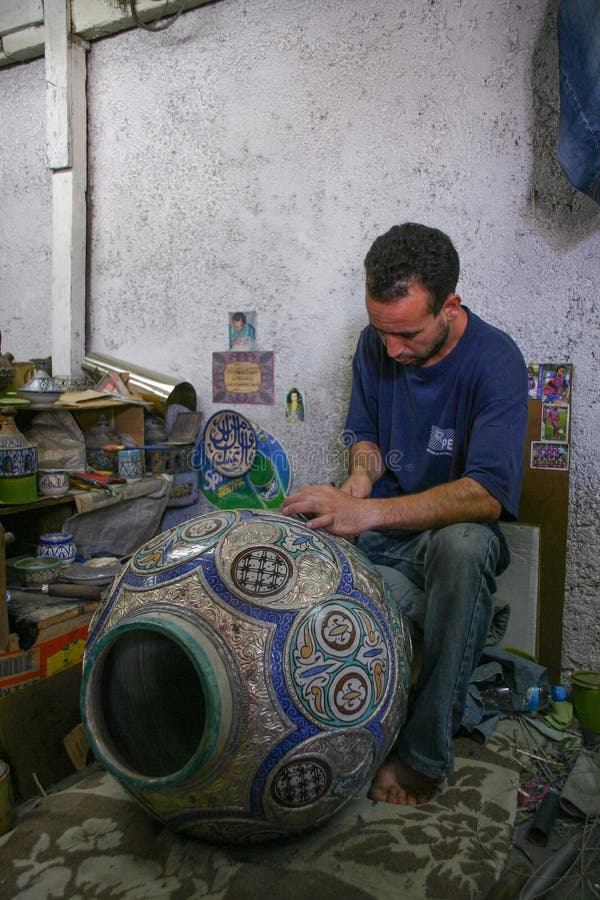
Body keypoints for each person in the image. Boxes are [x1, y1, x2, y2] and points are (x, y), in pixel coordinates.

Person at [281, 223, 528, 805]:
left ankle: (423, 756)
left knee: (464, 549)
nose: (392, 350)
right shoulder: (377, 344)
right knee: (304, 544)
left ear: (450, 307)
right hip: (387, 543)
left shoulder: (496, 360)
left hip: (448, 540)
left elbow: (487, 493)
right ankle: (313, 735)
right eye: (381, 331)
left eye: (408, 334)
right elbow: (364, 437)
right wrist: (356, 484)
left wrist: (366, 515)